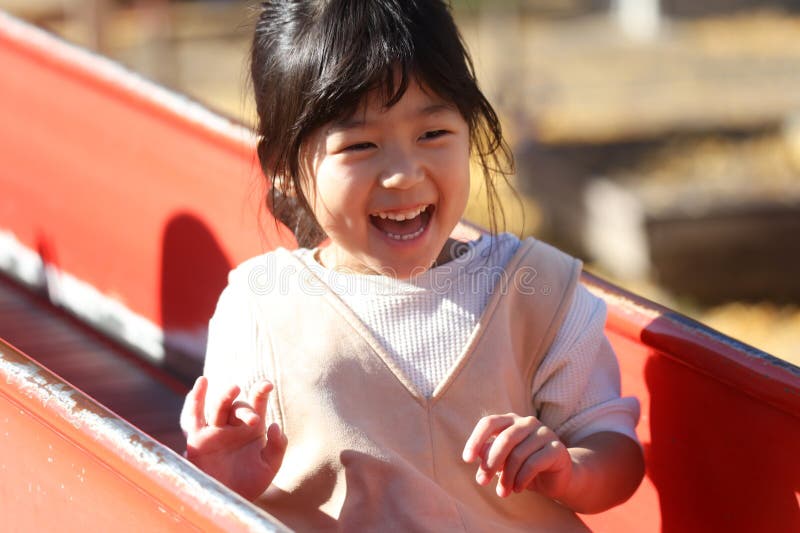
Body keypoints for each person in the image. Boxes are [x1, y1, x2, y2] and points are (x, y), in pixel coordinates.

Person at [180, 1, 644, 530]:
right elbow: (219, 491)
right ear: (282, 167)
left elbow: (614, 450)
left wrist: (568, 470)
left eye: (432, 134)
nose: (403, 174)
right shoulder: (261, 308)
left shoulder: (535, 292)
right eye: (360, 145)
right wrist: (217, 477)